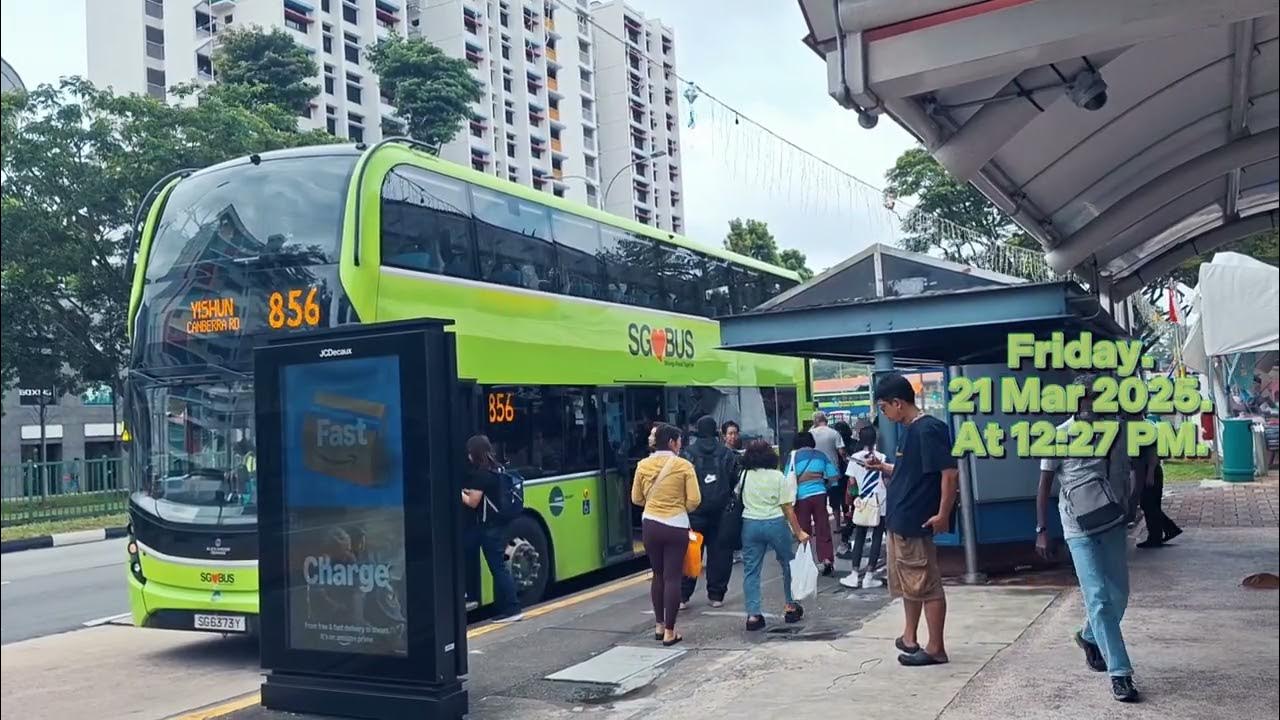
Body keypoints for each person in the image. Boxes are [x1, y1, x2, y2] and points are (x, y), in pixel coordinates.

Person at [1037, 376, 1141, 702]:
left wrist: (1131, 505)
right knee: (1098, 598)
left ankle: (1087, 635)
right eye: (1089, 399)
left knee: (1119, 595)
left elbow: (1126, 470)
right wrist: (1042, 531)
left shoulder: (1112, 432)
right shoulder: (1057, 435)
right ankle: (1120, 673)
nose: (1094, 404)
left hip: (1109, 521)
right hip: (1076, 528)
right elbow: (1043, 487)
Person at [864, 373, 958, 667]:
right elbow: (912, 473)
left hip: (916, 521)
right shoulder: (910, 431)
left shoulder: (928, 429)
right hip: (901, 521)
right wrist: (883, 466)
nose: (884, 414)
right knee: (908, 584)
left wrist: (943, 513)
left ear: (898, 403)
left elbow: (949, 473)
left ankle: (935, 648)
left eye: (884, 407)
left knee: (925, 584)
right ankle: (909, 636)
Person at [632, 423, 701, 647]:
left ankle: (659, 625)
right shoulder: (684, 466)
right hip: (675, 525)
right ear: (672, 442)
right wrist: (678, 507)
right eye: (679, 441)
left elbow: (636, 499)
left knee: (658, 574)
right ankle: (671, 631)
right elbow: (694, 500)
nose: (680, 445)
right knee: (673, 577)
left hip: (650, 524)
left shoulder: (643, 465)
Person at [739, 439, 809, 630]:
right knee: (788, 564)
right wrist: (799, 531)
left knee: (751, 570)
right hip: (775, 523)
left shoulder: (744, 475)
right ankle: (790, 606)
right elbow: (787, 507)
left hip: (750, 524)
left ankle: (753, 615)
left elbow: (738, 495)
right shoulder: (778, 476)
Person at [460, 435, 523, 623]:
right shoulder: (496, 469)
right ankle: (466, 592)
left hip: (489, 529)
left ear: (475, 453)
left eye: (469, 452)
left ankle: (513, 608)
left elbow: (472, 502)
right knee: (466, 547)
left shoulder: (481, 475)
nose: (468, 456)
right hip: (496, 526)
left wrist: (456, 493)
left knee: (498, 568)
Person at [680, 415, 740, 608]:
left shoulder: (687, 454)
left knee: (690, 551)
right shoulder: (726, 454)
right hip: (721, 512)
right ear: (716, 432)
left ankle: (683, 595)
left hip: (694, 511)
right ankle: (716, 595)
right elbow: (734, 480)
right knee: (720, 552)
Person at [785, 430, 841, 575]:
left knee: (803, 529)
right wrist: (826, 485)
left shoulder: (793, 457)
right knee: (823, 527)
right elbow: (833, 475)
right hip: (820, 495)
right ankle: (827, 559)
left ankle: (806, 562)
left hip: (801, 497)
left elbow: (787, 476)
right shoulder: (821, 455)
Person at [840, 425, 888, 589]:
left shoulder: (855, 458)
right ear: (875, 439)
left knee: (859, 536)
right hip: (880, 500)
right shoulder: (881, 457)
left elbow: (851, 484)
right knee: (877, 535)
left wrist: (853, 498)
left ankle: (854, 574)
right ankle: (869, 576)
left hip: (863, 501)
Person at [1132, 413, 1182, 548]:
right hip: (1149, 471)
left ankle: (1161, 533)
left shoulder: (1145, 429)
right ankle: (1161, 534)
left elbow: (1153, 453)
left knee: (1149, 505)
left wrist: (1149, 474)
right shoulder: (1145, 426)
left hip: (1150, 471)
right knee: (1150, 505)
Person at [832, 420, 856, 554]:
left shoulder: (837, 446)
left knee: (842, 497)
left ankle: (846, 515)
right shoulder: (854, 443)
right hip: (852, 476)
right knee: (852, 495)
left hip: (840, 475)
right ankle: (850, 513)